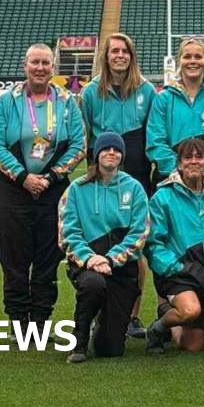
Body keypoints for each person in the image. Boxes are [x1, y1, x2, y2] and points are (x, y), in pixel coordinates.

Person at [0, 43, 85, 333]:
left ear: (53, 68)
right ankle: (18, 321)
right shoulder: (7, 101)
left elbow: (79, 145)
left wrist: (51, 177)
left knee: (48, 257)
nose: (40, 68)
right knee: (12, 256)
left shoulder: (67, 101)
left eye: (45, 63)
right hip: (12, 191)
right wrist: (22, 176)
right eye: (34, 62)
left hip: (52, 191)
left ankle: (40, 323)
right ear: (24, 65)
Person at [79, 32, 156, 339]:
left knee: (135, 246)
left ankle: (133, 315)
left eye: (125, 51)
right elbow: (85, 135)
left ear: (131, 56)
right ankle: (102, 310)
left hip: (137, 174)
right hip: (102, 173)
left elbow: (154, 131)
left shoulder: (147, 91)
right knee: (101, 240)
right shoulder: (90, 93)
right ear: (106, 56)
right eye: (114, 51)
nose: (120, 55)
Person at [59, 132, 151, 363]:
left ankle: (103, 325)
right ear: (96, 155)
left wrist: (110, 259)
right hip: (87, 264)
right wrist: (90, 259)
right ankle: (78, 342)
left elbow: (140, 233)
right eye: (106, 149)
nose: (112, 153)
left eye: (117, 150)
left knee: (110, 349)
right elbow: (67, 233)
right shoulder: (77, 189)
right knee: (93, 284)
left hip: (121, 268)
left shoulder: (135, 188)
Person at [144, 138, 204, 355]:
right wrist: (177, 268)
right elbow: (153, 244)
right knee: (190, 310)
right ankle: (157, 328)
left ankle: (166, 312)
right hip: (179, 273)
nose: (193, 162)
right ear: (178, 164)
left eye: (199, 157)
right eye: (187, 157)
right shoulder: (163, 197)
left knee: (191, 345)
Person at [147, 36, 204, 187]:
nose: (193, 61)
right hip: (171, 180)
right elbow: (155, 141)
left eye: (198, 56)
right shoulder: (163, 99)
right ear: (179, 61)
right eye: (187, 56)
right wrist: (178, 171)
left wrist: (202, 171)